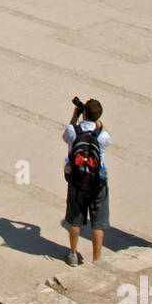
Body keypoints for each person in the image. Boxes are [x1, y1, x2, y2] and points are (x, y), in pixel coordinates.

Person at [63, 97, 111, 266]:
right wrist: (99, 124)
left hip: (77, 181)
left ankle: (73, 254)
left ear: (83, 114)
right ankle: (97, 259)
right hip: (98, 182)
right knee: (97, 222)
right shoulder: (102, 136)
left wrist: (75, 116)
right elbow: (108, 138)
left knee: (75, 218)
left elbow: (65, 136)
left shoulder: (73, 130)